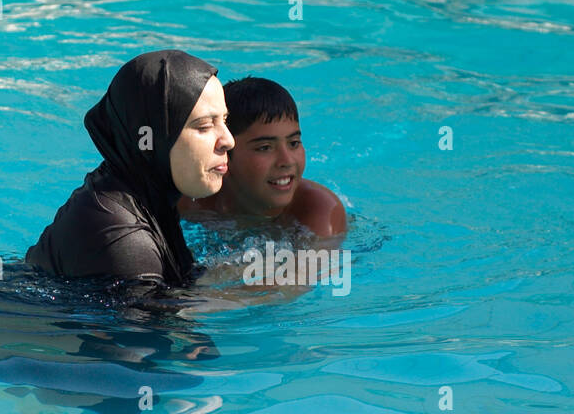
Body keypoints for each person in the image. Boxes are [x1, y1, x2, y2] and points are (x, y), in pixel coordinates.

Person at [25, 49, 233, 291]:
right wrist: (264, 295)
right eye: (205, 126)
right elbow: (151, 324)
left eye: (224, 120)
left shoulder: (139, 189)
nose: (228, 140)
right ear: (150, 138)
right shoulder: (124, 238)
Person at [178, 77, 346, 237]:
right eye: (265, 148)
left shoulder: (320, 209)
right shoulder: (190, 200)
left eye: (294, 143)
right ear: (224, 153)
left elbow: (308, 267)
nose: (286, 161)